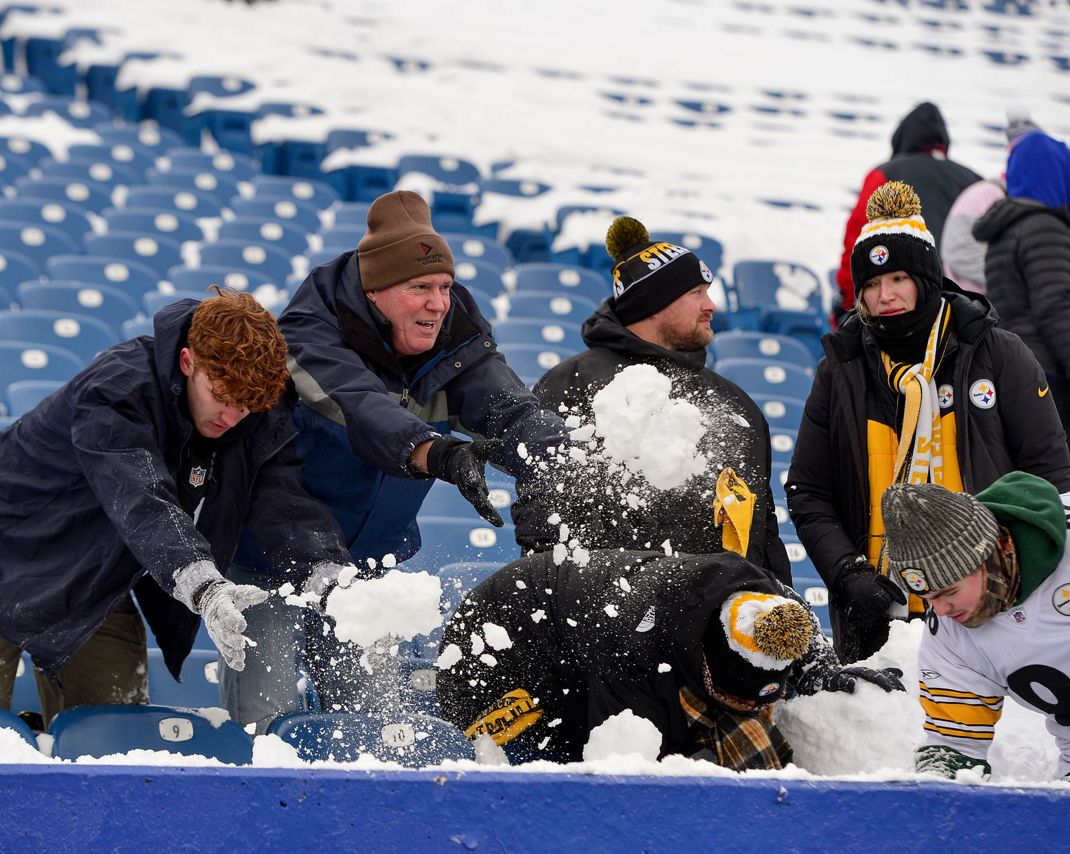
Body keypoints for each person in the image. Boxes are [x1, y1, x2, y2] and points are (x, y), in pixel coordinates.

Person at [0, 291, 354, 726]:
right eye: (221, 395)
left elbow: (282, 500)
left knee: (116, 726)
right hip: (2, 539)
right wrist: (204, 585)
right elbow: (140, 496)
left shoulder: (257, 405)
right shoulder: (117, 386)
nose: (231, 417)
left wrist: (329, 573)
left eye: (246, 406)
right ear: (188, 362)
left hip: (101, 561)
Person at [222, 190, 570, 723]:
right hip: (275, 554)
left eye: (445, 287)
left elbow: (512, 413)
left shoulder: (455, 337)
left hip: (370, 561)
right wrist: (437, 454)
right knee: (267, 720)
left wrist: (574, 461)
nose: (437, 303)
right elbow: (363, 408)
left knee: (372, 721)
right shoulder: (309, 333)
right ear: (375, 290)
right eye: (420, 288)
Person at [788, 180, 1070, 664]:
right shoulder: (841, 369)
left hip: (995, 601)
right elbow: (808, 491)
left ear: (926, 278)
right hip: (880, 614)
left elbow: (1049, 478)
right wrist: (848, 572)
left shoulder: (996, 352)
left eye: (898, 277)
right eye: (872, 285)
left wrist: (1011, 569)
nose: (885, 295)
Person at [436, 548, 904, 768]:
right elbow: (632, 757)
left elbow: (790, 614)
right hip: (495, 658)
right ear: (704, 662)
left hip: (580, 641)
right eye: (729, 695)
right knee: (586, 759)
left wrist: (822, 670)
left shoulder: (752, 592)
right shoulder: (631, 641)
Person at [514, 216, 790, 585]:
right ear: (654, 304)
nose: (711, 306)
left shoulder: (736, 403)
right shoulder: (571, 384)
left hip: (716, 619)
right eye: (696, 293)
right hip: (607, 617)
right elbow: (542, 518)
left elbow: (762, 530)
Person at [882, 472, 1070, 785]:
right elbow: (954, 745)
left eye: (948, 592)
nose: (941, 611)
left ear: (986, 555)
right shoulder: (949, 634)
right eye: (927, 599)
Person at [972, 130, 1070, 485]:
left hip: (1018, 373)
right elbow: (1055, 308)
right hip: (1054, 380)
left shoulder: (1005, 232)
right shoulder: (1045, 230)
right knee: (1059, 492)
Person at [833, 102, 981, 325]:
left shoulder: (884, 173)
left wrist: (846, 299)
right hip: (964, 305)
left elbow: (858, 240)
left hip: (899, 307)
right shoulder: (973, 180)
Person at [938, 106, 1042, 294]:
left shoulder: (1038, 205)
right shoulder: (984, 195)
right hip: (976, 304)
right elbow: (959, 252)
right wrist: (1018, 283)